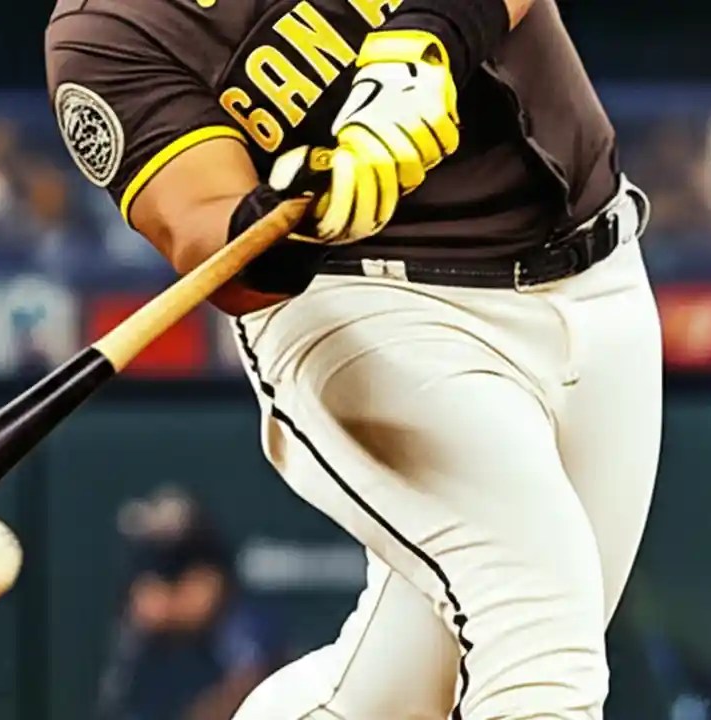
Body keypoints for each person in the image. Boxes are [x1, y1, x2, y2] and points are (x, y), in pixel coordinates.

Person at [47, 0, 661, 716]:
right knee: (538, 619)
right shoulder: (105, 32)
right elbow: (204, 231)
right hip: (362, 310)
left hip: (597, 268)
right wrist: (287, 211)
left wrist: (425, 41)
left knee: (404, 689)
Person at [96, 488, 284, 720]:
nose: (161, 597)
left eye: (175, 580)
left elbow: (253, 682)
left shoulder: (242, 623)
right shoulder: (140, 645)